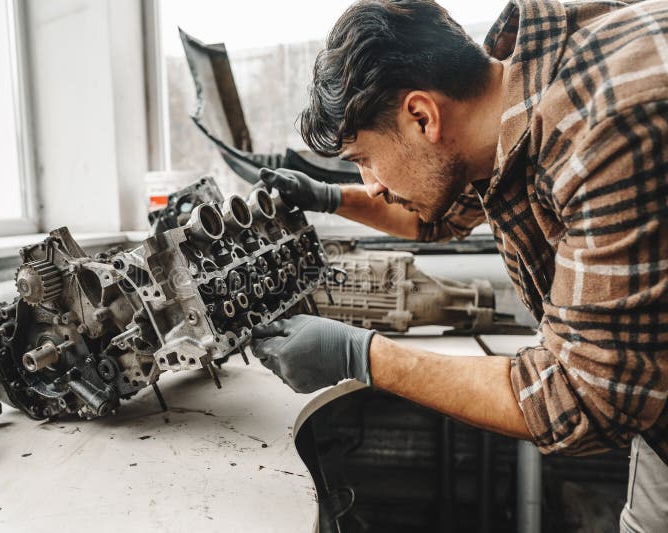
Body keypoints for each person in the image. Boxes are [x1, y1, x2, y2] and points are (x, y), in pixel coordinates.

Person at [249, 1, 668, 530]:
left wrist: (360, 355)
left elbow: (581, 399)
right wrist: (331, 197)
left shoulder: (600, 127)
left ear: (421, 114)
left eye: (364, 160)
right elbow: (440, 215)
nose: (372, 183)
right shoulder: (505, 84)